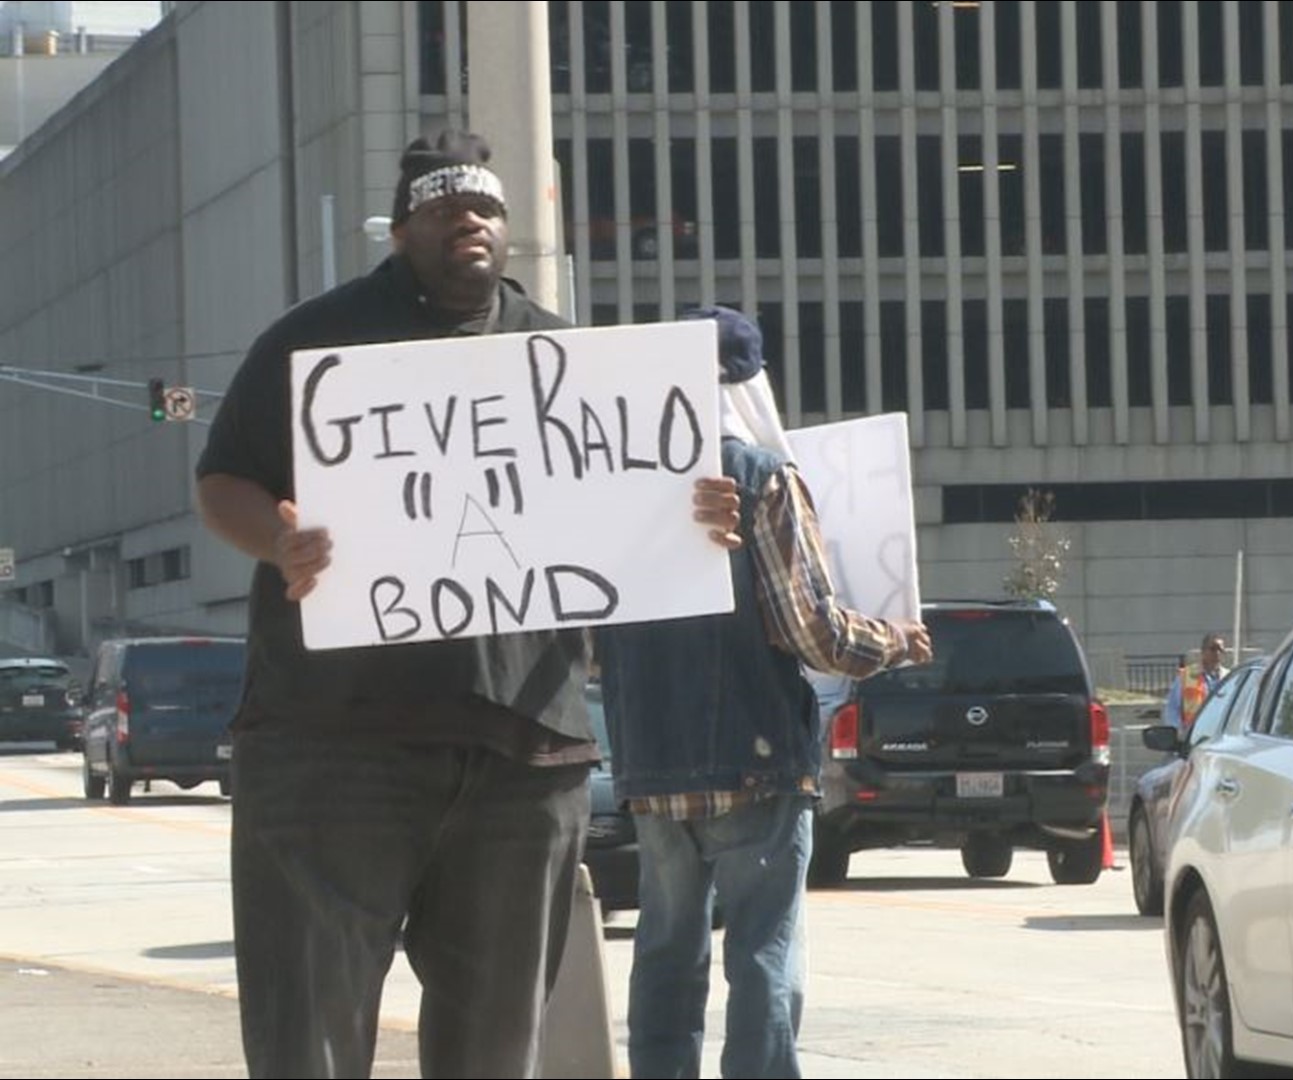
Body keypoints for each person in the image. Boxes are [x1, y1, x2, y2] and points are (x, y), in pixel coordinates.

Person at [194, 129, 743, 1080]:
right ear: (403, 227)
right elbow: (222, 481)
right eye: (447, 207)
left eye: (487, 207)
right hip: (334, 745)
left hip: (524, 753)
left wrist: (695, 519)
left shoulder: (570, 361)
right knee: (308, 1037)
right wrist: (279, 542)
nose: (471, 223)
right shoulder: (314, 342)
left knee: (496, 1043)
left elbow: (633, 522)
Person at [593, 305, 933, 1080]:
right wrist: (895, 641)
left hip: (649, 765)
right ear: (751, 387)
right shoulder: (761, 478)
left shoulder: (615, 488)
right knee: (762, 956)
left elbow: (591, 642)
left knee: (665, 953)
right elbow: (812, 633)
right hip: (757, 764)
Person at [1164, 633, 1229, 730]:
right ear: (1203, 651)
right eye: (1213, 649)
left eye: (1220, 650)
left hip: (1221, 736)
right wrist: (1178, 730)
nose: (1217, 653)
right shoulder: (1186, 676)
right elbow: (1172, 709)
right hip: (1193, 736)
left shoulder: (1229, 678)